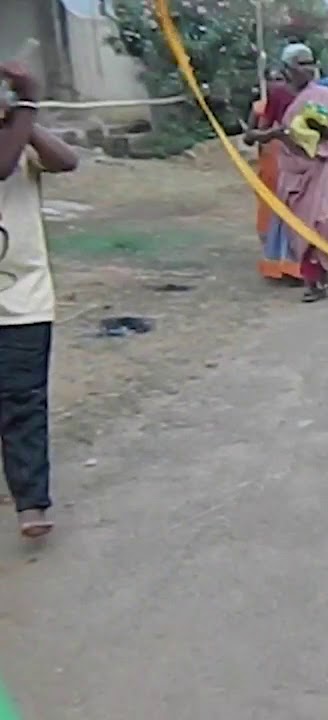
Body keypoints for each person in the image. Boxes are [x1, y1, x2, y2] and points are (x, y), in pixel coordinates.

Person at [0, 61, 80, 538]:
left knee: (24, 400)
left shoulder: (19, 137)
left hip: (23, 297)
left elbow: (67, 161)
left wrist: (23, 119)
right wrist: (26, 104)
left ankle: (31, 500)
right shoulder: (12, 144)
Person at [263, 43, 328, 303]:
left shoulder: (325, 95)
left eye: (310, 62)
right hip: (294, 172)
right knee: (302, 228)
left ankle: (324, 276)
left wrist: (322, 130)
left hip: (322, 166)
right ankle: (312, 282)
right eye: (300, 63)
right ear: (287, 67)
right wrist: (274, 134)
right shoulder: (278, 95)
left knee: (325, 223)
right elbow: (252, 135)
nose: (307, 68)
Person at [244, 65, 303, 281]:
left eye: (281, 79)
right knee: (271, 214)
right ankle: (275, 261)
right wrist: (267, 134)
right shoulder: (259, 107)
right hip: (269, 165)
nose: (276, 84)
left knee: (291, 213)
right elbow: (249, 137)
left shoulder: (297, 105)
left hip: (292, 164)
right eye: (272, 79)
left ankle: (293, 264)